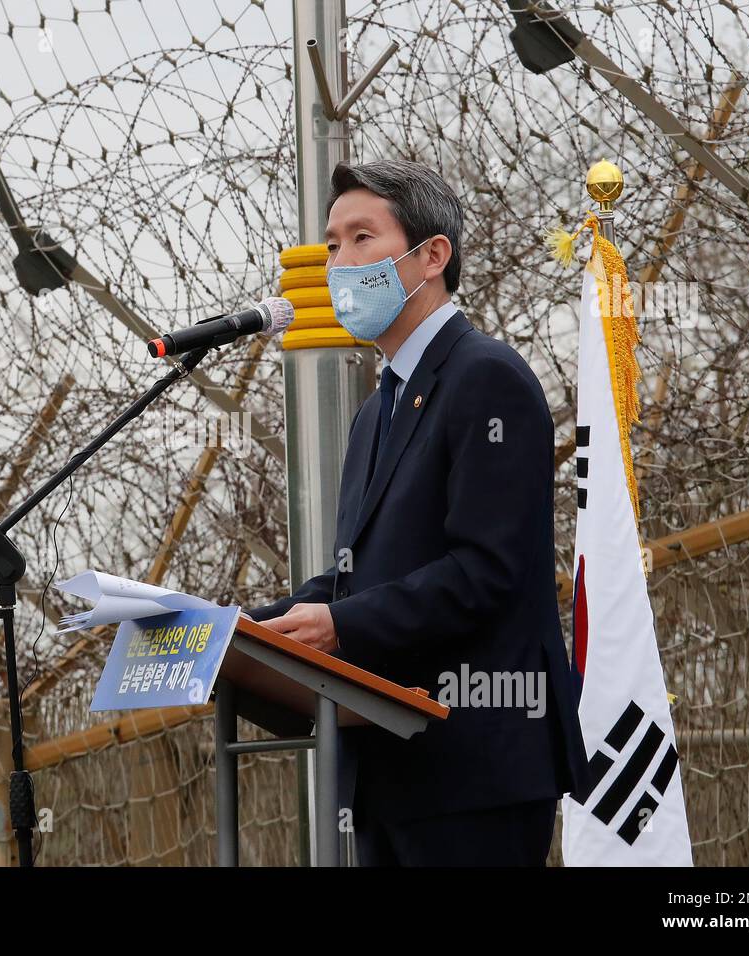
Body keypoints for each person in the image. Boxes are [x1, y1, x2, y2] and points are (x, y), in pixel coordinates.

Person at [245, 159, 591, 866]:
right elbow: (361, 579)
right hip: (390, 767)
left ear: (433, 255)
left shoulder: (485, 378)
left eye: (362, 238)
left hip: (474, 764)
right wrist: (246, 629)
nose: (339, 261)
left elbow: (485, 570)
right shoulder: (376, 411)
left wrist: (339, 624)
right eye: (333, 243)